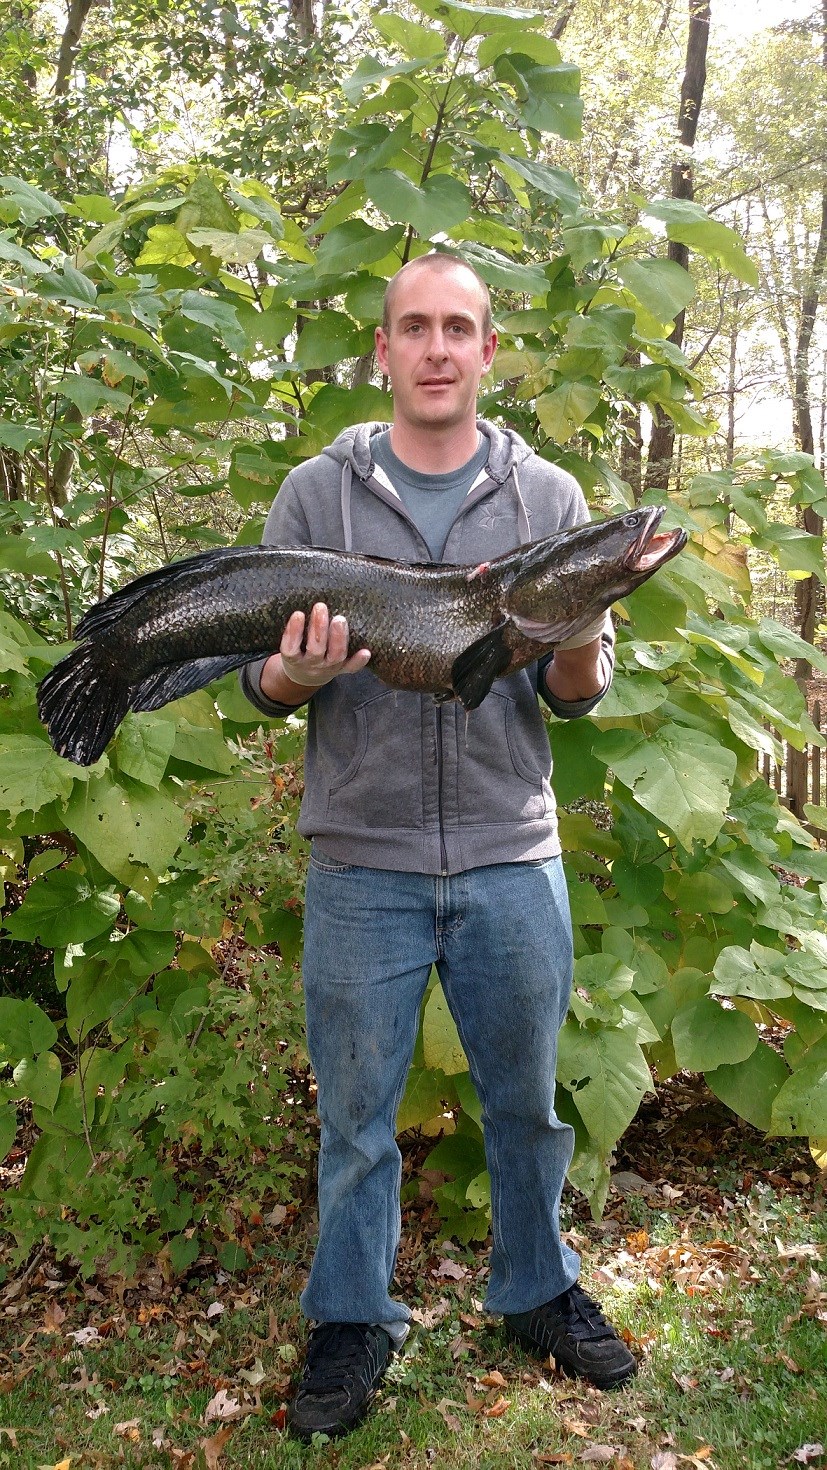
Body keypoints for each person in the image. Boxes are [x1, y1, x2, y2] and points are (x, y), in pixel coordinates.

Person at [240, 252, 637, 1442]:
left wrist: (577, 638)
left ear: (485, 352)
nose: (435, 348)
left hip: (511, 853)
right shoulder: (316, 495)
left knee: (525, 1100)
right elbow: (262, 680)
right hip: (361, 855)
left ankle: (534, 1287)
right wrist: (288, 673)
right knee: (355, 1114)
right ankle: (351, 1316)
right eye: (412, 327)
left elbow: (576, 694)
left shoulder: (548, 501)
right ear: (382, 351)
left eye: (457, 328)